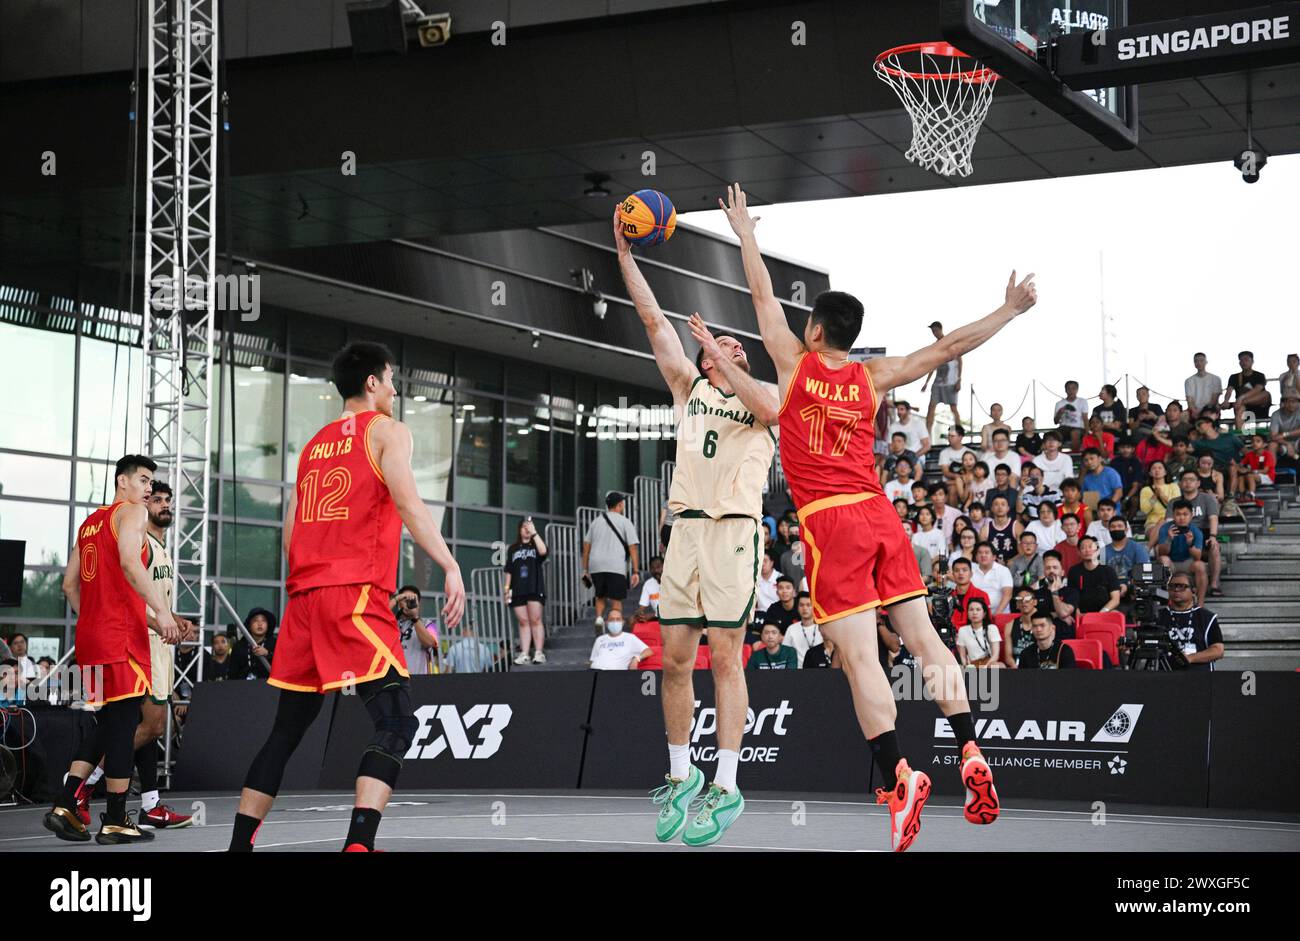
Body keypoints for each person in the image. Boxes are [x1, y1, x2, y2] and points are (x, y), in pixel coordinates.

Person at [714, 184, 1030, 850]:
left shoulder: (796, 368)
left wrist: (746, 235)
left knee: (860, 658)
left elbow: (762, 298)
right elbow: (945, 353)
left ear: (815, 330)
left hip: (832, 523)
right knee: (926, 641)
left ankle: (900, 774)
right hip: (883, 515)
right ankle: (970, 745)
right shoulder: (871, 376)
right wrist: (1008, 308)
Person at [230, 341, 466, 854]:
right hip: (354, 596)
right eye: (392, 377)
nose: (396, 388)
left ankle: (238, 847)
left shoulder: (314, 445)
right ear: (373, 383)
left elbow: (290, 527)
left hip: (304, 599)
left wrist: (305, 585)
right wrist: (449, 564)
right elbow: (407, 501)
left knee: (285, 732)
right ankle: (359, 844)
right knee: (398, 720)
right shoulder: (387, 431)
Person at [621, 210, 777, 850]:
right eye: (724, 347)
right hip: (682, 534)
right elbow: (656, 323)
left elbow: (768, 404)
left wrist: (719, 349)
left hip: (733, 534)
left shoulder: (759, 397)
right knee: (675, 661)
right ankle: (682, 775)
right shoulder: (690, 388)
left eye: (736, 346)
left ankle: (729, 784)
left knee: (725, 657)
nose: (730, 348)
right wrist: (626, 256)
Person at [45, 455, 179, 846]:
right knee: (121, 728)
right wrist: (164, 612)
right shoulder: (132, 511)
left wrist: (97, 619)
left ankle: (67, 802)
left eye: (151, 481)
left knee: (109, 724)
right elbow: (129, 564)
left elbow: (70, 585)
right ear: (122, 481)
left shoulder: (90, 523)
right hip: (120, 638)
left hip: (91, 637)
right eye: (142, 479)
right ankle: (117, 818)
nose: (148, 487)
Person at [582, 491, 641, 634]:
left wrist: (585, 569)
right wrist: (635, 571)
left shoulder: (596, 522)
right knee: (616, 599)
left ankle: (599, 619)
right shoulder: (625, 522)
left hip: (596, 565)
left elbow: (586, 546)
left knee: (600, 595)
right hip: (615, 565)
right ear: (620, 505)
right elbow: (632, 547)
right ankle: (616, 629)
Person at [1169, 468, 1223, 597]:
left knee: (1215, 547)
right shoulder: (1174, 502)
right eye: (1185, 480)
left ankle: (1214, 584)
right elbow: (1169, 522)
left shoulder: (1207, 499)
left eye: (1191, 480)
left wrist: (1213, 536)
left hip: (1203, 534)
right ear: (1180, 484)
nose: (1188, 483)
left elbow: (1213, 518)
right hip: (1180, 534)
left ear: (1198, 483)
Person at [1156, 573, 1224, 670]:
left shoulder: (1207, 617)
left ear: (1193, 591)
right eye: (1172, 586)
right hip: (1165, 675)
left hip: (1198, 676)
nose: (1176, 590)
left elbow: (1218, 650)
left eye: (1182, 586)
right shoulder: (1158, 615)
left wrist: (1191, 658)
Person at [504, 518, 548, 665]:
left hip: (534, 587)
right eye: (524, 527)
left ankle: (538, 652)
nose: (526, 529)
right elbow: (509, 570)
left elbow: (543, 551)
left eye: (528, 527)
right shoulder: (513, 548)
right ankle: (524, 653)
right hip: (517, 589)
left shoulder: (536, 545)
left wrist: (534, 532)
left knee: (535, 619)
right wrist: (506, 589)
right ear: (519, 529)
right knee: (523, 621)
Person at [1155, 500, 1209, 605]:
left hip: (1187, 563)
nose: (1182, 517)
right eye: (1178, 514)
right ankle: (1167, 601)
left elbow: (1198, 557)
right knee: (1163, 560)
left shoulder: (1196, 531)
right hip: (1171, 563)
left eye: (1185, 514)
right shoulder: (1165, 528)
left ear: (1191, 515)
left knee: (1201, 565)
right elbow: (1161, 553)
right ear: (1173, 515)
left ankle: (1200, 604)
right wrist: (1169, 539)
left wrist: (1190, 544)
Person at [920, 321, 963, 436]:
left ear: (940, 329)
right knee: (931, 406)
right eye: (933, 331)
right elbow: (932, 366)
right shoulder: (935, 346)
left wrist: (959, 380)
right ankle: (927, 434)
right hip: (938, 382)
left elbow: (959, 360)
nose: (934, 333)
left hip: (951, 381)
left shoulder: (950, 341)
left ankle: (959, 433)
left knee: (953, 408)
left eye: (935, 330)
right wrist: (926, 383)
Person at [1067, 536, 1121, 615]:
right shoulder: (1074, 571)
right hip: (1082, 614)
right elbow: (1071, 597)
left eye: (1091, 547)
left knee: (1115, 614)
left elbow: (1115, 599)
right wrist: (1077, 612)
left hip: (1104, 613)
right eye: (1083, 548)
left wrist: (1101, 613)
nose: (1087, 550)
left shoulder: (1108, 571)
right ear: (1078, 552)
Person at [1104, 519, 1150, 610]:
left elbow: (1145, 573)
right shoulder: (1102, 551)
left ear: (1126, 529)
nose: (1116, 529)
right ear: (1108, 530)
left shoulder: (1138, 548)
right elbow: (1100, 575)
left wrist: (1127, 586)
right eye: (1113, 527)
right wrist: (1114, 588)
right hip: (1109, 591)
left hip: (1132, 589)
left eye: (1120, 526)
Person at [393, 585, 439, 675]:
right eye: (405, 599)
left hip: (419, 678)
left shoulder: (430, 624)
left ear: (418, 603)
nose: (409, 602)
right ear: (399, 603)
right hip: (395, 680)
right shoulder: (392, 623)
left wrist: (414, 617)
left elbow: (431, 643)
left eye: (412, 600)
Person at [1222, 350, 1272, 431]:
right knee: (1239, 409)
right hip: (1242, 407)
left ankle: (1240, 402)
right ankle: (1241, 436)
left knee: (1266, 394)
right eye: (1241, 360)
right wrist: (1226, 400)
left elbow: (1257, 389)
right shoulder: (1234, 377)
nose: (1243, 362)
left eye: (1246, 360)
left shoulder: (1259, 375)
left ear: (1252, 362)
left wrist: (1241, 398)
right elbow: (1229, 391)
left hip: (1260, 406)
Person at [1034, 551, 1080, 637]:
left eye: (1055, 568)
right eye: (1048, 568)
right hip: (1044, 638)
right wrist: (1056, 615)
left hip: (1067, 637)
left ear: (1062, 572)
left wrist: (1054, 593)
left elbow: (1063, 613)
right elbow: (1035, 617)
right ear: (1044, 573)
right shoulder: (1037, 593)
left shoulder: (1071, 592)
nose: (1051, 570)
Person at [227, 608, 278, 681]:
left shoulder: (275, 644)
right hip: (242, 688)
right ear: (249, 626)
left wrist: (268, 654)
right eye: (255, 620)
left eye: (263, 620)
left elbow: (283, 668)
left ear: (268, 625)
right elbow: (232, 675)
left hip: (268, 688)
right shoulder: (239, 646)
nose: (260, 624)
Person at [1139, 460, 1180, 544]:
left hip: (1172, 521)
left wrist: (1161, 495)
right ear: (1150, 473)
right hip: (1152, 523)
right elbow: (1145, 510)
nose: (1157, 470)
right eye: (1154, 468)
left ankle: (1149, 547)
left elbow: (1177, 506)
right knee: (1159, 533)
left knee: (1163, 526)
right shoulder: (1145, 490)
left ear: (1165, 472)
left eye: (1160, 468)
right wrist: (1155, 496)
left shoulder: (1173, 487)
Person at [954, 597, 1001, 668]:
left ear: (984, 613)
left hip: (989, 663)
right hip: (973, 665)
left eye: (978, 609)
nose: (974, 613)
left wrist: (985, 666)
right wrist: (965, 666)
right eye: (971, 610)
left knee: (998, 666)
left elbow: (995, 655)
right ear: (967, 613)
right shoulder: (963, 630)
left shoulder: (992, 628)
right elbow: (962, 656)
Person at [948, 557, 992, 628]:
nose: (961, 573)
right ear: (953, 574)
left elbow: (987, 621)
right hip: (951, 635)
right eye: (957, 570)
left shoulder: (981, 595)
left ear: (971, 574)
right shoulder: (948, 596)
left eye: (964, 570)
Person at [782, 593, 823, 667]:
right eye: (801, 605)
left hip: (820, 670)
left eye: (808, 605)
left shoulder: (822, 628)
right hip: (798, 672)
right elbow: (785, 653)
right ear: (797, 607)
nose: (804, 608)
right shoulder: (791, 629)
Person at [970, 542, 1013, 614]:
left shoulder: (1003, 570)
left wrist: (997, 614)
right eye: (980, 553)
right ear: (976, 557)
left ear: (994, 557)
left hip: (1000, 612)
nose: (983, 555)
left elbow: (1007, 594)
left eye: (987, 553)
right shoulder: (971, 570)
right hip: (976, 614)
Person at [1001, 589, 1040, 668]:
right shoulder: (1009, 625)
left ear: (1035, 602)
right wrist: (1015, 667)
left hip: (1037, 667)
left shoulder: (1043, 624)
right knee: (995, 667)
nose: (1023, 602)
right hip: (1016, 667)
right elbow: (1008, 656)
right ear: (1016, 604)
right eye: (1019, 599)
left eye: (1027, 599)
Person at [939, 426, 976, 505]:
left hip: (968, 481)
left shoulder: (970, 452)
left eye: (952, 436)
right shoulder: (944, 453)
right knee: (953, 489)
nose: (949, 438)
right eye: (948, 435)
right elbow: (946, 472)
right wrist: (960, 478)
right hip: (951, 482)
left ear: (960, 437)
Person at [1110, 437, 1145, 514]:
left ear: (1133, 449)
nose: (1125, 450)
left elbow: (1135, 486)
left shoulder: (1136, 462)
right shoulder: (1114, 462)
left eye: (1128, 447)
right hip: (1116, 491)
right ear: (1119, 449)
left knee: (1134, 501)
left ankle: (1129, 521)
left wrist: (1125, 499)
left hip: (1130, 493)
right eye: (1122, 447)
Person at [1238, 433, 1275, 503]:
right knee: (1241, 477)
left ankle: (1251, 494)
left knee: (1250, 476)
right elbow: (1241, 464)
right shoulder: (1250, 454)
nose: (1254, 443)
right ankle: (1241, 495)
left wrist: (1251, 471)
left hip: (1268, 477)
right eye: (1253, 441)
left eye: (1258, 441)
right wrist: (1240, 468)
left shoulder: (1268, 454)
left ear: (1264, 444)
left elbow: (1265, 471)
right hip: (1255, 475)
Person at [984, 495, 1021, 563]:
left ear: (1008, 508)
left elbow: (1022, 552)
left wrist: (1009, 562)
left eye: (1003, 504)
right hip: (993, 565)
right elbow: (982, 553)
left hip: (1013, 566)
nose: (1000, 507)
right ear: (992, 508)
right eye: (996, 504)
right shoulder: (985, 529)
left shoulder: (1017, 526)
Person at [1053, 381, 1088, 451]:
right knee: (1055, 434)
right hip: (1064, 427)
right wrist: (1060, 412)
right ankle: (1058, 456)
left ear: (1077, 390)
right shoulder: (1059, 404)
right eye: (1069, 389)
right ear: (1065, 390)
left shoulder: (1082, 401)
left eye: (1073, 388)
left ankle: (1075, 456)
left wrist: (1087, 432)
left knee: (1074, 433)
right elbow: (1056, 422)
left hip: (1079, 428)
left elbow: (1085, 418)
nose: (1071, 391)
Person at [635, 555, 666, 623]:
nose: (655, 570)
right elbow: (642, 607)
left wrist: (653, 615)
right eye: (652, 568)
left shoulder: (672, 582)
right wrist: (639, 614)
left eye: (658, 567)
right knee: (632, 620)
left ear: (665, 566)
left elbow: (673, 609)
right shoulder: (648, 584)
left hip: (673, 618)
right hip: (658, 618)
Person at [1271, 392, 1300, 464]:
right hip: (1282, 443)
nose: (1291, 404)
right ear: (1283, 403)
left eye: (1294, 402)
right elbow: (1274, 436)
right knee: (1272, 445)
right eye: (1288, 401)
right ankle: (1271, 473)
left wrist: (1285, 434)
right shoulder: (1276, 414)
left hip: (1298, 441)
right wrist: (1287, 444)